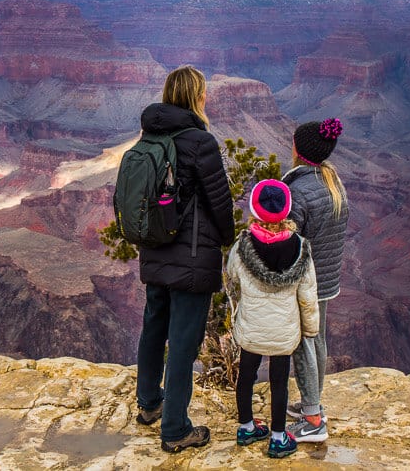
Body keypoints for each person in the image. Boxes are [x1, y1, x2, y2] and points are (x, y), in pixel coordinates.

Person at [134, 65, 235, 453]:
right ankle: (175, 429)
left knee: (153, 326)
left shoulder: (151, 135)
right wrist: (225, 240)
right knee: (183, 343)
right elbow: (219, 200)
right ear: (197, 97)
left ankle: (148, 404)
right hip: (191, 256)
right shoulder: (200, 141)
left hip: (155, 247)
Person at [227, 179, 319, 459]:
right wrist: (310, 329)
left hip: (252, 328)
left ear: (255, 211)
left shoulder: (242, 247)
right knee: (280, 382)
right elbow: (308, 295)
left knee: (246, 376)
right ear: (286, 213)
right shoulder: (300, 249)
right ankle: (279, 438)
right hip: (284, 331)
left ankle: (246, 427)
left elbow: (232, 278)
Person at [283, 118, 348, 443]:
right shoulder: (332, 182)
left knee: (303, 343)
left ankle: (312, 421)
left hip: (305, 282)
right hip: (326, 279)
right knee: (317, 339)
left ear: (299, 150)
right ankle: (314, 403)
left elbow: (287, 242)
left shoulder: (298, 191)